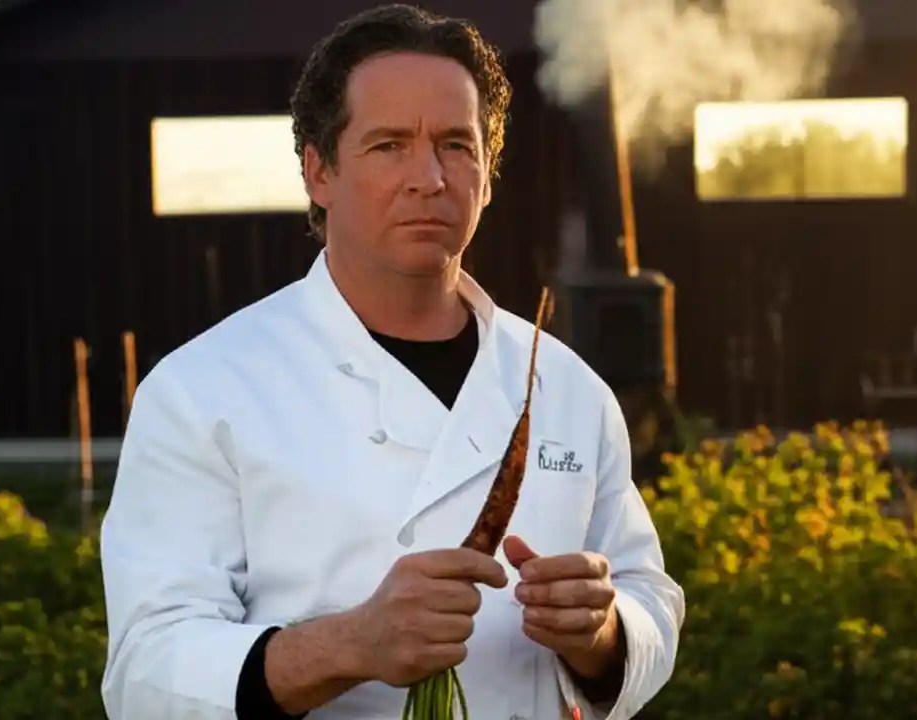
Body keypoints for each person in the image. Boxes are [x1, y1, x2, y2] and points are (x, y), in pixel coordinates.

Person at [99, 5, 684, 719]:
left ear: (488, 174)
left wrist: (602, 633)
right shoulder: (204, 391)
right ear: (319, 171)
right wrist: (349, 645)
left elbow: (649, 597)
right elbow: (145, 672)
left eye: (456, 145)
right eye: (388, 145)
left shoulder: (566, 388)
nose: (429, 177)